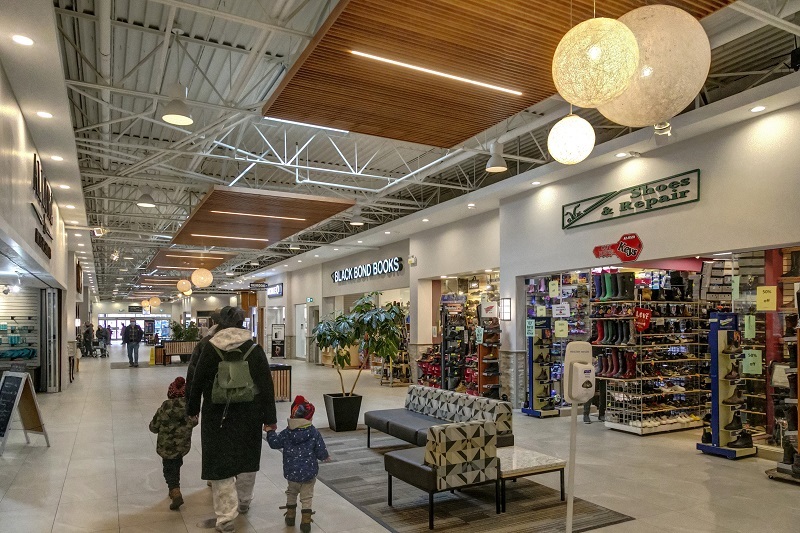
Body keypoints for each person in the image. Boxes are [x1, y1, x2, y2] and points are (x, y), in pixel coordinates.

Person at [186, 306, 277, 533]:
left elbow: (197, 380)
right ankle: (244, 501)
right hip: (249, 412)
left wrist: (192, 408)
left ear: (219, 323)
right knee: (247, 456)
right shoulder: (254, 349)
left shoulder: (209, 347)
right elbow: (266, 385)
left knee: (220, 464)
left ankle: (226, 517)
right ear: (243, 322)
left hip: (216, 413)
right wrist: (270, 418)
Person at [266, 395, 330, 533]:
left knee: (291, 492)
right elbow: (320, 451)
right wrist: (325, 456)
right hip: (308, 473)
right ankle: (305, 522)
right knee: (307, 496)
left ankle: (290, 517)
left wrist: (270, 431)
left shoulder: (287, 432)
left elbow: (274, 443)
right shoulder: (314, 433)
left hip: (291, 472)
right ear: (308, 418)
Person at [149, 376, 198, 511]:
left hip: (166, 446)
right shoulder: (189, 408)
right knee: (176, 465)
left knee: (168, 468)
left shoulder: (164, 407)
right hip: (181, 446)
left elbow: (153, 427)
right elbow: (194, 422)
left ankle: (175, 490)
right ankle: (174, 488)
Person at [186, 310, 221, 400]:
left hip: (212, 395)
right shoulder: (247, 343)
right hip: (243, 399)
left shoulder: (205, 342)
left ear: (213, 322)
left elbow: (193, 372)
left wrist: (192, 405)